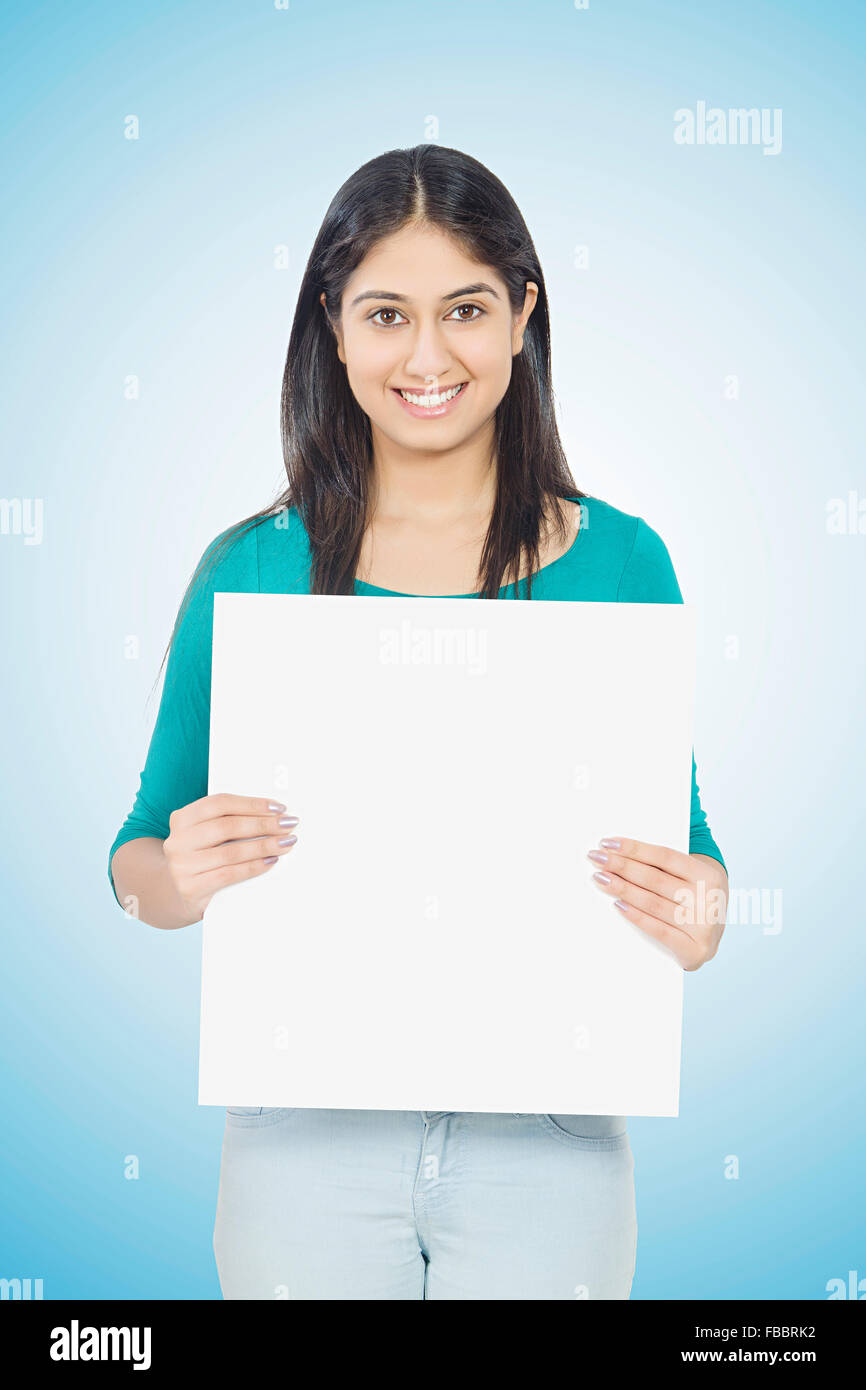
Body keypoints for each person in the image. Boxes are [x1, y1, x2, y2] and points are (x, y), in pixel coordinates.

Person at [108, 144, 728, 1300]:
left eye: (467, 310)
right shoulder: (249, 569)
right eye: (386, 313)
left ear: (522, 316)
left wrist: (699, 914)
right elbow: (135, 862)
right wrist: (178, 879)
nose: (428, 356)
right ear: (333, 327)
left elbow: (692, 860)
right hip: (302, 1132)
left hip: (550, 1134)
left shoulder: (623, 562)